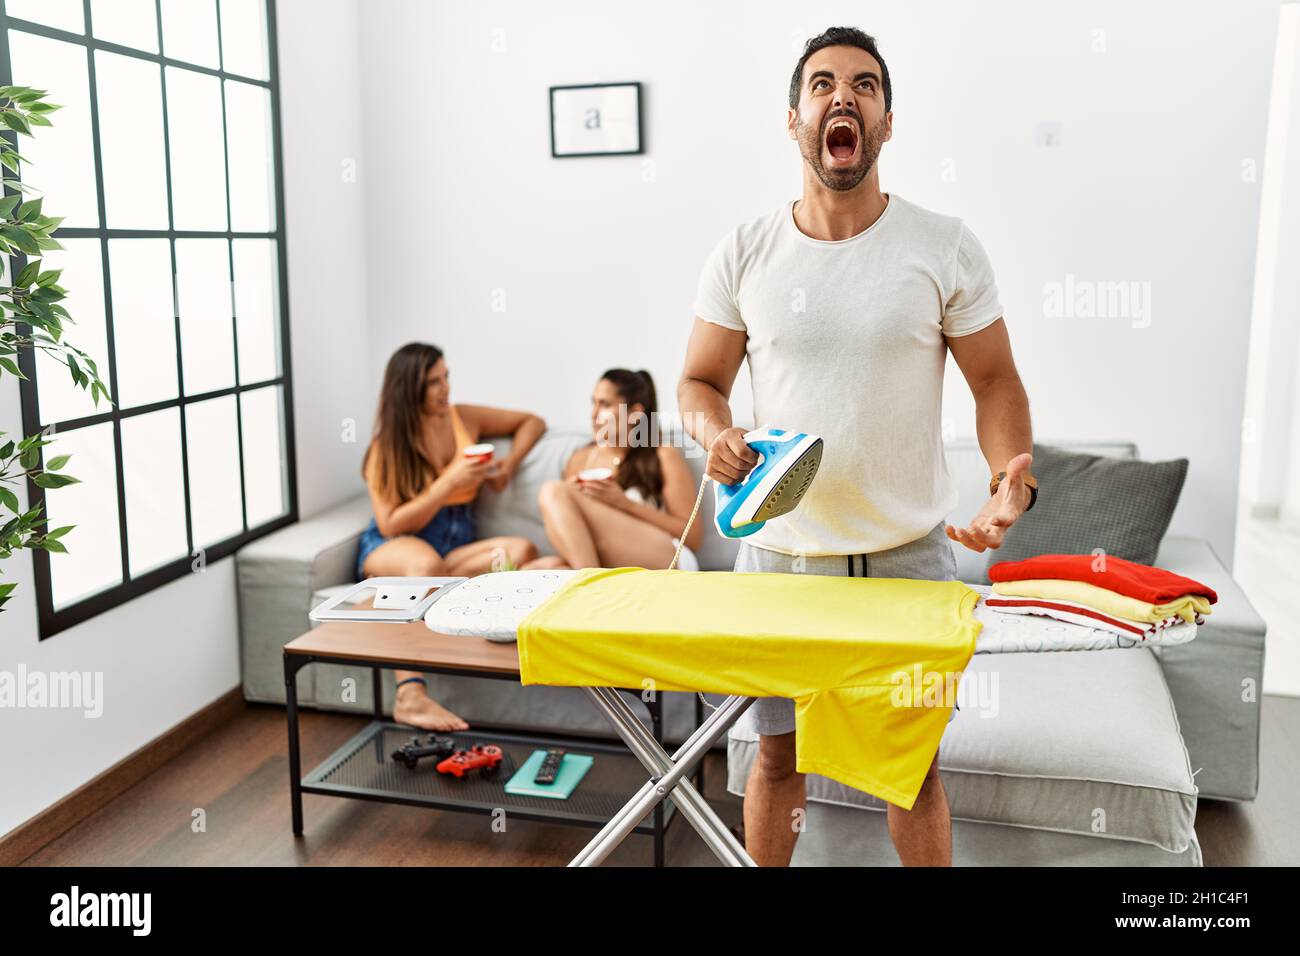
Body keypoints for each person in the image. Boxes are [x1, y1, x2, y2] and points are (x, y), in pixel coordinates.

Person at [677, 27, 1039, 867]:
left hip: (906, 562)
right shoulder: (743, 251)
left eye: (865, 85)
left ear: (886, 120)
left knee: (909, 775)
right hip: (777, 564)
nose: (844, 96)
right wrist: (714, 432)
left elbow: (995, 382)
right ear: (795, 118)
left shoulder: (943, 245)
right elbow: (697, 382)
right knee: (775, 761)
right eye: (824, 84)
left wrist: (1006, 477)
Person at [358, 342, 563, 731]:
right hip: (398, 543)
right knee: (423, 564)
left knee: (520, 550)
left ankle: (421, 588)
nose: (444, 388)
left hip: (451, 544)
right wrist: (447, 482)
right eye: (432, 382)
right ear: (408, 389)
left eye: (446, 377)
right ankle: (410, 695)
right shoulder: (387, 444)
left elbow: (531, 422)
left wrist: (507, 467)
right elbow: (390, 523)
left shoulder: (462, 419)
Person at [538, 369, 704, 571]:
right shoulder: (580, 459)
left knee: (553, 491)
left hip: (668, 556)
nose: (593, 414)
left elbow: (692, 537)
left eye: (605, 404)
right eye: (594, 403)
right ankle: (589, 578)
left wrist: (624, 504)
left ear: (635, 413)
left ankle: (589, 583)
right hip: (607, 559)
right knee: (551, 566)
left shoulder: (661, 455)